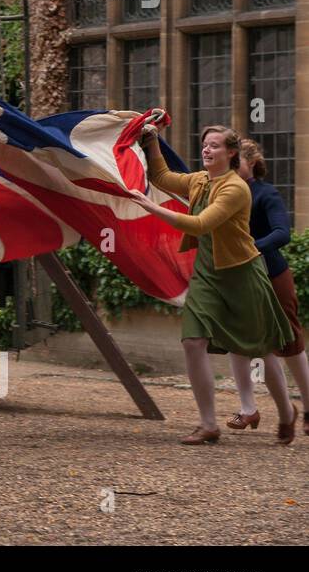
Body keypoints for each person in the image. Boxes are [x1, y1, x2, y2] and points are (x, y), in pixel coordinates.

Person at [130, 120, 297, 445]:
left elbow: (201, 224)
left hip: (243, 275)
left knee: (261, 350)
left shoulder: (236, 188)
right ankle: (208, 424)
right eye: (205, 144)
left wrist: (152, 208)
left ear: (231, 152)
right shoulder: (199, 180)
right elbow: (163, 177)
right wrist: (152, 142)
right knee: (193, 342)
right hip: (207, 275)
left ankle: (287, 412)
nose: (207, 149)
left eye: (215, 145)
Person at [225, 138, 309, 435]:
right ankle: (251, 408)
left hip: (272, 275)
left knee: (290, 342)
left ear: (250, 163)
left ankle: (307, 408)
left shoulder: (265, 193)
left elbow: (282, 233)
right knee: (239, 341)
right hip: (237, 278)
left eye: (237, 163)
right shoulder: (220, 193)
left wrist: (251, 249)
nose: (231, 168)